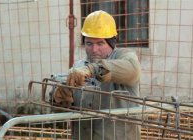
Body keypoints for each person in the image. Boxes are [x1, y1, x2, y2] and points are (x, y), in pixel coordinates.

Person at [53, 10, 141, 140]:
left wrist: (93, 69)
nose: (94, 50)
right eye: (89, 43)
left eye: (100, 43)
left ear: (111, 43)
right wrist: (59, 95)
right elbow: (59, 108)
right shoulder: (78, 68)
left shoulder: (124, 57)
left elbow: (133, 69)